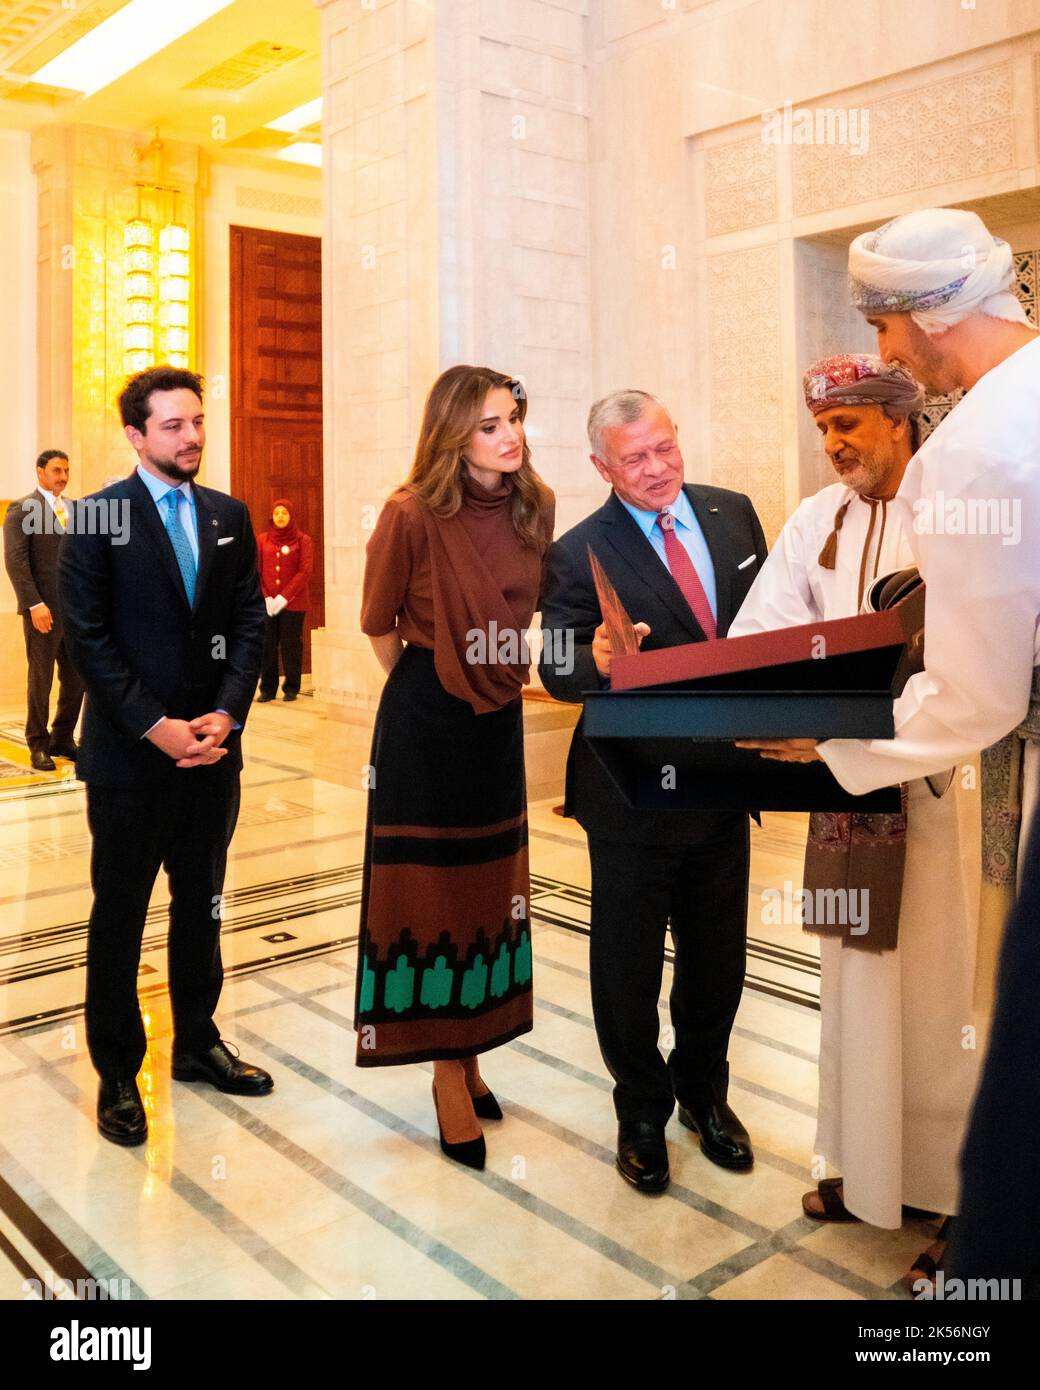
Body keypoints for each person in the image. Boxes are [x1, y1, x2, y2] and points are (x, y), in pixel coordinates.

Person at [739, 210, 1040, 1009]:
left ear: (932, 309)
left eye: (883, 325)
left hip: (980, 775)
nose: (887, 353)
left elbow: (983, 696)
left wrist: (834, 733)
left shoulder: (970, 450)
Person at [729, 353, 979, 1287]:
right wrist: (779, 708)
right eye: (824, 427)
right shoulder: (814, 520)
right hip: (843, 791)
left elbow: (979, 660)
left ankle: (962, 1198)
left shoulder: (955, 513)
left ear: (900, 421)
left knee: (946, 1001)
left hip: (945, 793)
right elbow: (762, 637)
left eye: (851, 425)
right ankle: (868, 1169)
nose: (834, 444)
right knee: (853, 990)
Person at [539, 389, 767, 1193]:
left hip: (725, 779)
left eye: (665, 448)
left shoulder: (734, 515)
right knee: (627, 967)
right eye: (634, 458)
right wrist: (595, 658)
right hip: (631, 789)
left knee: (719, 958)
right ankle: (640, 1109)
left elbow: (765, 626)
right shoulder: (578, 550)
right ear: (602, 466)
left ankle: (704, 1094)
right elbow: (556, 667)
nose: (657, 468)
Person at [59, 366, 271, 1147]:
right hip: (129, 760)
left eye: (198, 422)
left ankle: (198, 1041)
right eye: (174, 425)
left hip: (212, 755)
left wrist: (225, 712)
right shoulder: (97, 518)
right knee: (119, 915)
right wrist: (157, 726)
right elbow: (89, 639)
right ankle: (118, 1069)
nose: (193, 437)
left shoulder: (229, 515)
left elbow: (248, 621)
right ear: (137, 435)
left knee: (202, 902)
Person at [357, 365, 554, 1172]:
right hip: (425, 720)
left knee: (488, 886)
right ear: (451, 435)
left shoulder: (533, 506)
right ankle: (446, 1072)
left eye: (512, 419)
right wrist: (434, 686)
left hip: (497, 714)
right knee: (431, 892)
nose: (509, 437)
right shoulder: (409, 513)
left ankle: (473, 1052)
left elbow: (528, 613)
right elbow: (379, 626)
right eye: (489, 426)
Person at [3, 449, 84, 771]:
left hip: (75, 612)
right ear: (40, 472)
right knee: (41, 680)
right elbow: (16, 561)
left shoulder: (78, 509)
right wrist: (34, 604)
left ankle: (62, 737)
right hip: (43, 612)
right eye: (56, 470)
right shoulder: (23, 509)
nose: (62, 477)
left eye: (66, 470)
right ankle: (37, 743)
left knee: (76, 679)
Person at [256, 498, 313, 703]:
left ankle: (291, 687)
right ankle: (267, 689)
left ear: (291, 516)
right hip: (268, 603)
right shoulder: (262, 540)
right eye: (277, 513)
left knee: (291, 644)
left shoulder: (302, 540)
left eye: (284, 513)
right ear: (272, 516)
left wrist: (284, 597)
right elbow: (257, 571)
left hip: (294, 603)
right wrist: (267, 597)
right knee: (267, 645)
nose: (280, 516)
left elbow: (304, 572)